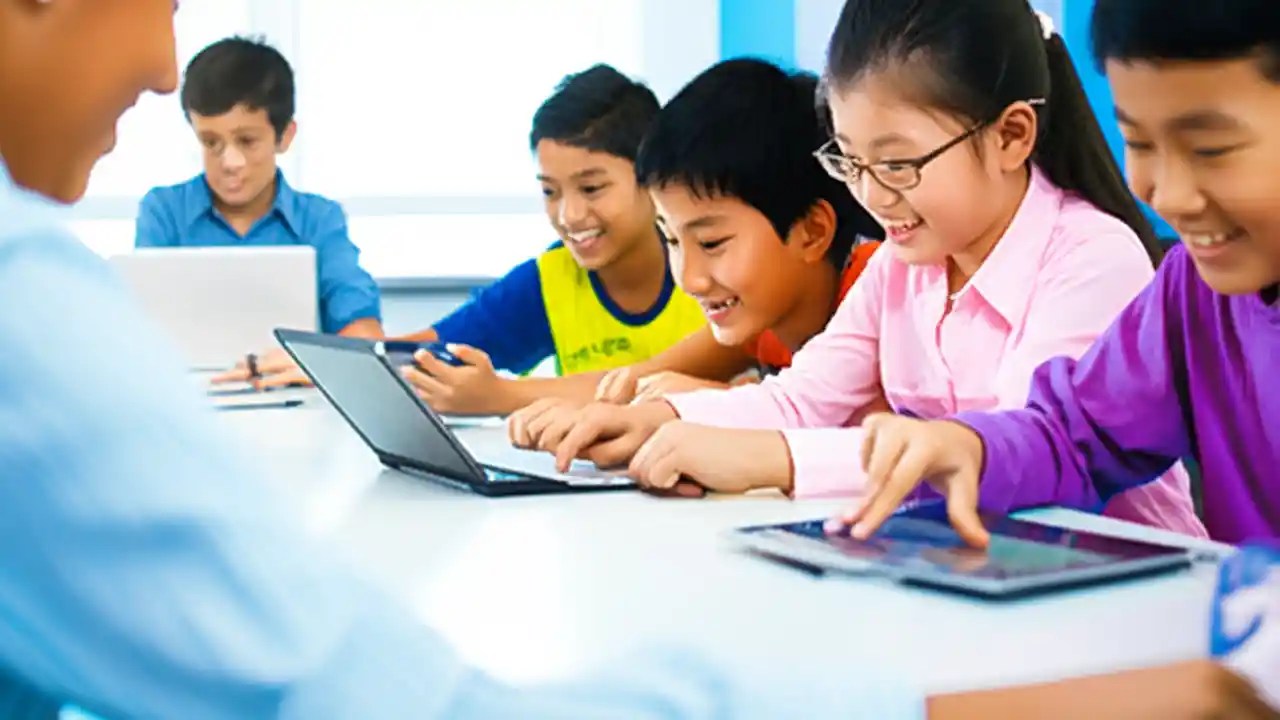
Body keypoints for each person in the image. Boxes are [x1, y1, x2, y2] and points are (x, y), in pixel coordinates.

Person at [516, 0, 1202, 538]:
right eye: (850, 161)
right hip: (972, 566)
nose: (871, 196)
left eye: (898, 164)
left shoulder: (1091, 256)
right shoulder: (905, 266)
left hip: (1121, 588)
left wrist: (776, 459)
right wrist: (661, 419)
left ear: (1011, 135)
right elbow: (801, 399)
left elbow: (1021, 457)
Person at [843, 0, 1280, 548]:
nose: (1167, 195)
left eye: (1211, 149)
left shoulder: (1094, 250)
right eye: (1140, 144)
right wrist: (968, 448)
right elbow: (1076, 435)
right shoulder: (1191, 292)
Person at [510, 58, 882, 438]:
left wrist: (703, 401)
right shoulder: (764, 318)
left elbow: (878, 440)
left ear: (811, 232)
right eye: (671, 239)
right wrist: (577, 417)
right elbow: (634, 384)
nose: (689, 280)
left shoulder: (884, 293)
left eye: (710, 243)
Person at [394, 64, 706, 416]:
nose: (568, 215)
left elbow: (666, 386)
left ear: (651, 176)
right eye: (550, 191)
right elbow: (420, 354)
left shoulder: (708, 271)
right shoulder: (551, 279)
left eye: (591, 188)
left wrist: (501, 395)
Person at [135, 36, 384, 388]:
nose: (229, 162)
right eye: (210, 142)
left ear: (284, 136)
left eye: (247, 141)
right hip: (186, 396)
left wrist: (316, 366)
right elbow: (139, 328)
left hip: (295, 401)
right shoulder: (163, 211)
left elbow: (365, 332)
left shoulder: (319, 218)